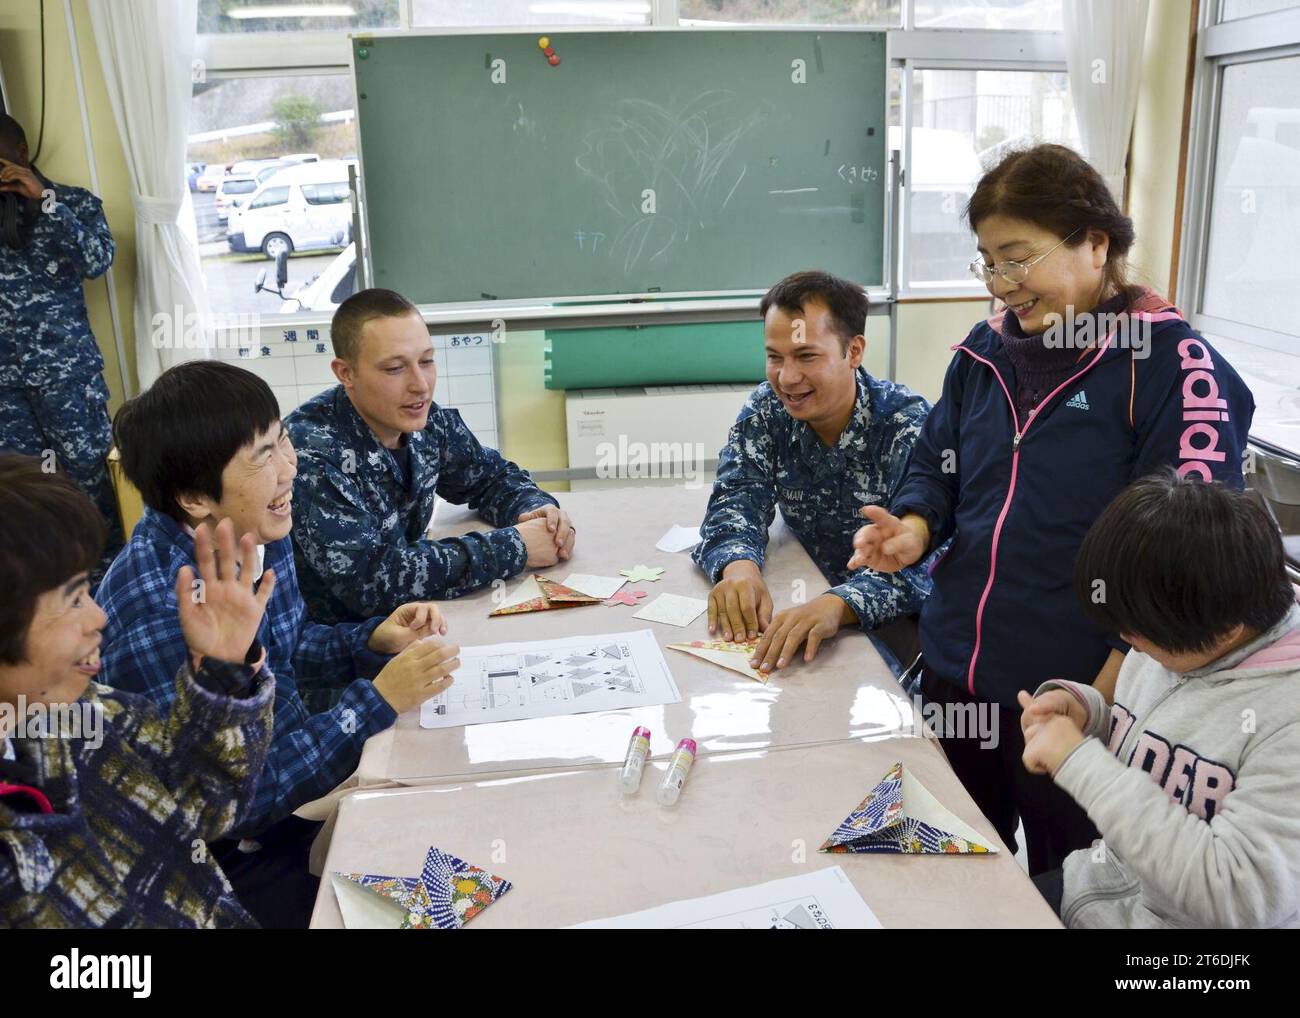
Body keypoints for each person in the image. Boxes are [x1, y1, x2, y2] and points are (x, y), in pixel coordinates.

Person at [849, 143, 1255, 874]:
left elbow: (1187, 551)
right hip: (958, 673)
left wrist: (1107, 687)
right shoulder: (984, 354)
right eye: (988, 261)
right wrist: (912, 528)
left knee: (1079, 882)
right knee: (945, 867)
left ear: (1096, 243)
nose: (1001, 284)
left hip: (1079, 694)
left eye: (1018, 258)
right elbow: (937, 465)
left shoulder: (1167, 364)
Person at [97, 361, 459, 927]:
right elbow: (236, 802)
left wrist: (370, 641)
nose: (290, 466)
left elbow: (287, 655)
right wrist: (376, 701)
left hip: (292, 795)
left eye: (282, 439)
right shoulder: (162, 607)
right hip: (226, 862)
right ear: (194, 496)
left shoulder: (252, 527)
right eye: (262, 455)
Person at [0, 454, 276, 927]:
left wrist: (222, 676)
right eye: (72, 600)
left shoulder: (73, 712)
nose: (98, 617)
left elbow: (202, 805)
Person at [1020, 470, 1300, 928]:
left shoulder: (1286, 716)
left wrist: (1080, 762)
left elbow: (1233, 895)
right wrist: (1088, 713)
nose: (1131, 643)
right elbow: (1160, 733)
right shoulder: (1191, 625)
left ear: (1227, 630)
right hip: (1098, 889)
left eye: (1139, 634)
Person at [693, 270, 933, 676]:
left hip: (902, 630)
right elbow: (735, 500)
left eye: (806, 356)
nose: (786, 378)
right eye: (775, 357)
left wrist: (838, 605)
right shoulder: (769, 408)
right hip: (803, 603)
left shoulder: (906, 425)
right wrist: (739, 567)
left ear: (854, 351)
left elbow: (933, 562)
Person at [286, 288, 574, 625]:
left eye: (426, 361)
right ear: (345, 373)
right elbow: (371, 580)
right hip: (346, 654)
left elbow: (490, 477)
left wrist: (536, 511)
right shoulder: (310, 453)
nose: (421, 385)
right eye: (395, 368)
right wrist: (515, 547)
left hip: (418, 627)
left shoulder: (423, 420)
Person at [0, 113, 121, 579]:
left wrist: (45, 202)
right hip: (8, 390)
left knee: (90, 481)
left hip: (67, 379)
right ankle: (45, 580)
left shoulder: (70, 202)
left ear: (21, 153)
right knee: (24, 488)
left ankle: (107, 580)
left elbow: (97, 259)